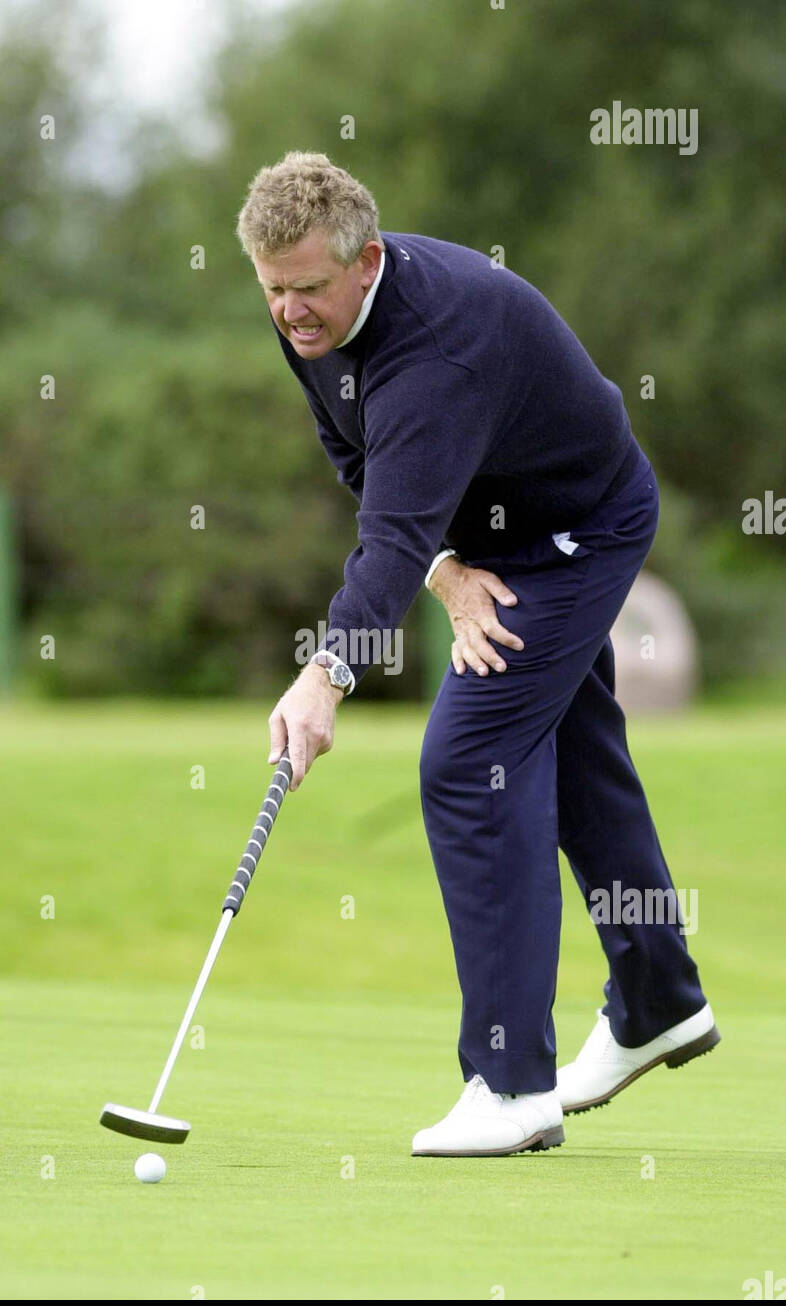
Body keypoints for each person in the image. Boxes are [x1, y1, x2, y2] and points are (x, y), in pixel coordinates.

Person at [235, 150, 719, 1157]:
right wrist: (450, 572)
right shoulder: (309, 310)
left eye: (308, 290)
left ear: (367, 260)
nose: (290, 313)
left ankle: (510, 1084)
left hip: (579, 528)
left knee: (468, 761)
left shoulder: (433, 349)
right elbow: (358, 459)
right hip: (494, 541)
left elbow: (389, 539)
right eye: (272, 290)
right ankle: (655, 994)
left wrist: (325, 676)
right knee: (574, 753)